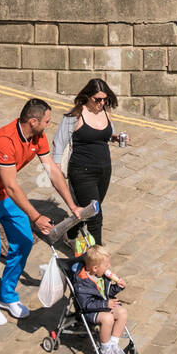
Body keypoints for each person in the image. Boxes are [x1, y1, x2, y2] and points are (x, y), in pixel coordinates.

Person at [0, 98, 80, 326]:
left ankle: (7, 295)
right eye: (47, 120)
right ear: (33, 121)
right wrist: (35, 217)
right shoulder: (4, 141)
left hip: (4, 195)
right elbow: (11, 186)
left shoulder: (37, 136)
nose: (49, 124)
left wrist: (71, 205)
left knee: (24, 241)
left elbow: (53, 171)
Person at [53, 79, 120, 247]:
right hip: (82, 171)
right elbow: (59, 142)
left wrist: (115, 137)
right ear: (87, 96)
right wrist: (56, 168)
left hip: (104, 170)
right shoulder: (75, 115)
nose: (102, 103)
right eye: (97, 99)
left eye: (105, 99)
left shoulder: (105, 111)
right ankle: (97, 257)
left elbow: (105, 134)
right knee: (96, 216)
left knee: (89, 210)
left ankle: (70, 233)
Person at [72, 245, 131, 354]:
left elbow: (107, 292)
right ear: (94, 268)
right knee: (108, 318)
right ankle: (105, 347)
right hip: (90, 311)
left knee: (123, 312)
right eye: (106, 265)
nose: (108, 266)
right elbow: (86, 304)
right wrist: (105, 304)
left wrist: (118, 287)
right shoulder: (82, 283)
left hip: (104, 304)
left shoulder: (102, 276)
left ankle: (114, 343)